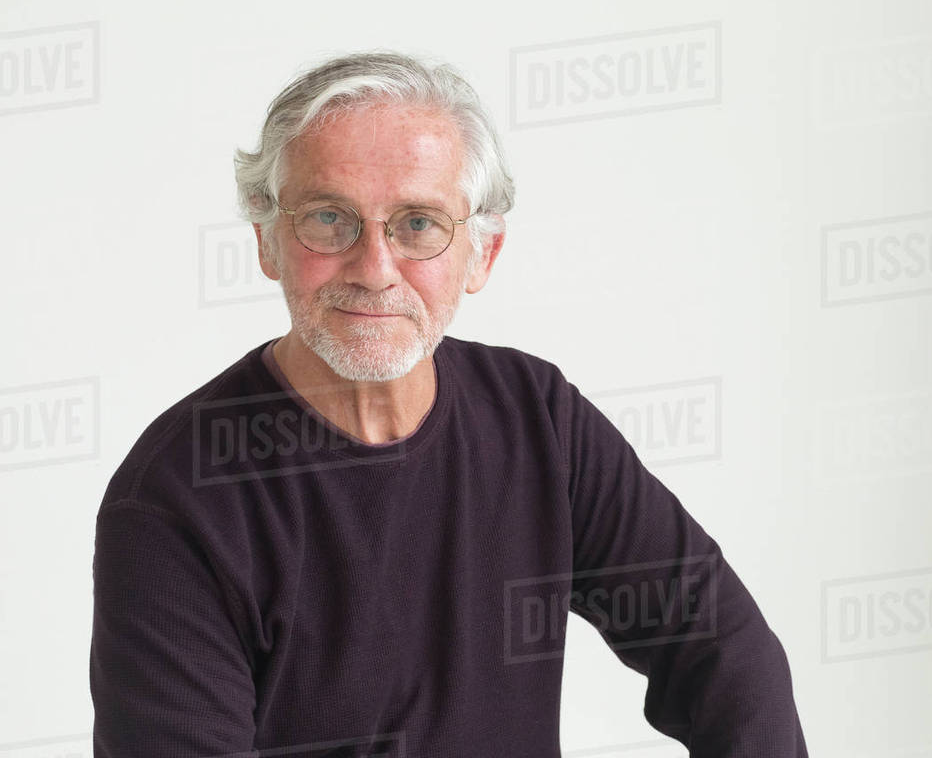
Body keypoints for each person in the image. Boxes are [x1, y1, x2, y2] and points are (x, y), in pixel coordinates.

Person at [89, 51, 808, 757]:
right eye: (329, 218)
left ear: (482, 255)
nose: (374, 269)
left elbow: (724, 653)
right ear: (268, 241)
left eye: (418, 224)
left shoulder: (538, 419)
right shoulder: (176, 499)